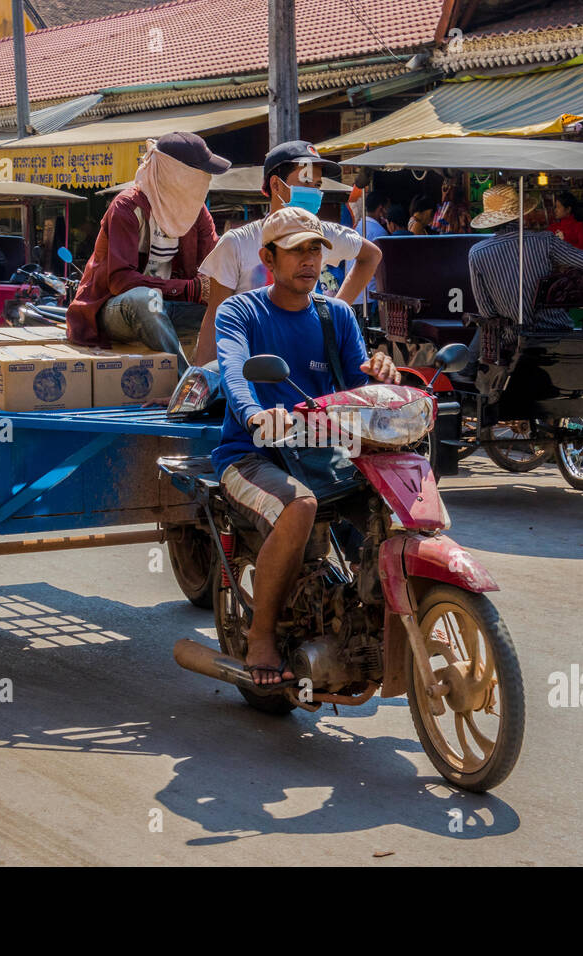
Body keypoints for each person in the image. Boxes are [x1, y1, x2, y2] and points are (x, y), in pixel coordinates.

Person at [212, 207, 399, 685]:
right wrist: (255, 413)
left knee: (398, 502)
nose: (309, 259)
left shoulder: (336, 315)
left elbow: (357, 383)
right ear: (268, 259)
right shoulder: (241, 311)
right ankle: (261, 636)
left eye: (315, 248)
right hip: (253, 455)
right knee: (300, 507)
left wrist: (381, 372)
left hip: (324, 451)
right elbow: (234, 370)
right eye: (296, 250)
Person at [193, 140, 381, 365]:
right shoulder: (237, 243)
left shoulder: (326, 234)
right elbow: (215, 317)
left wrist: (333, 314)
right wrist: (197, 382)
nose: (314, 192)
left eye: (317, 185)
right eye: (306, 183)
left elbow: (371, 255)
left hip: (311, 362)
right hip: (255, 368)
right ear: (276, 185)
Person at [66, 131, 229, 365]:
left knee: (232, 310)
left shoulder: (197, 211)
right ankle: (184, 382)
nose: (206, 180)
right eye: (201, 173)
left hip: (170, 307)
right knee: (147, 298)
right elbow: (121, 281)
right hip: (114, 309)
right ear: (178, 175)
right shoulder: (127, 208)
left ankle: (229, 382)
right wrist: (191, 289)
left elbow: (213, 264)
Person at [468, 183, 583, 334]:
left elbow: (487, 311)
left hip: (511, 339)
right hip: (555, 333)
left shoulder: (476, 252)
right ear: (521, 214)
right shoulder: (544, 240)